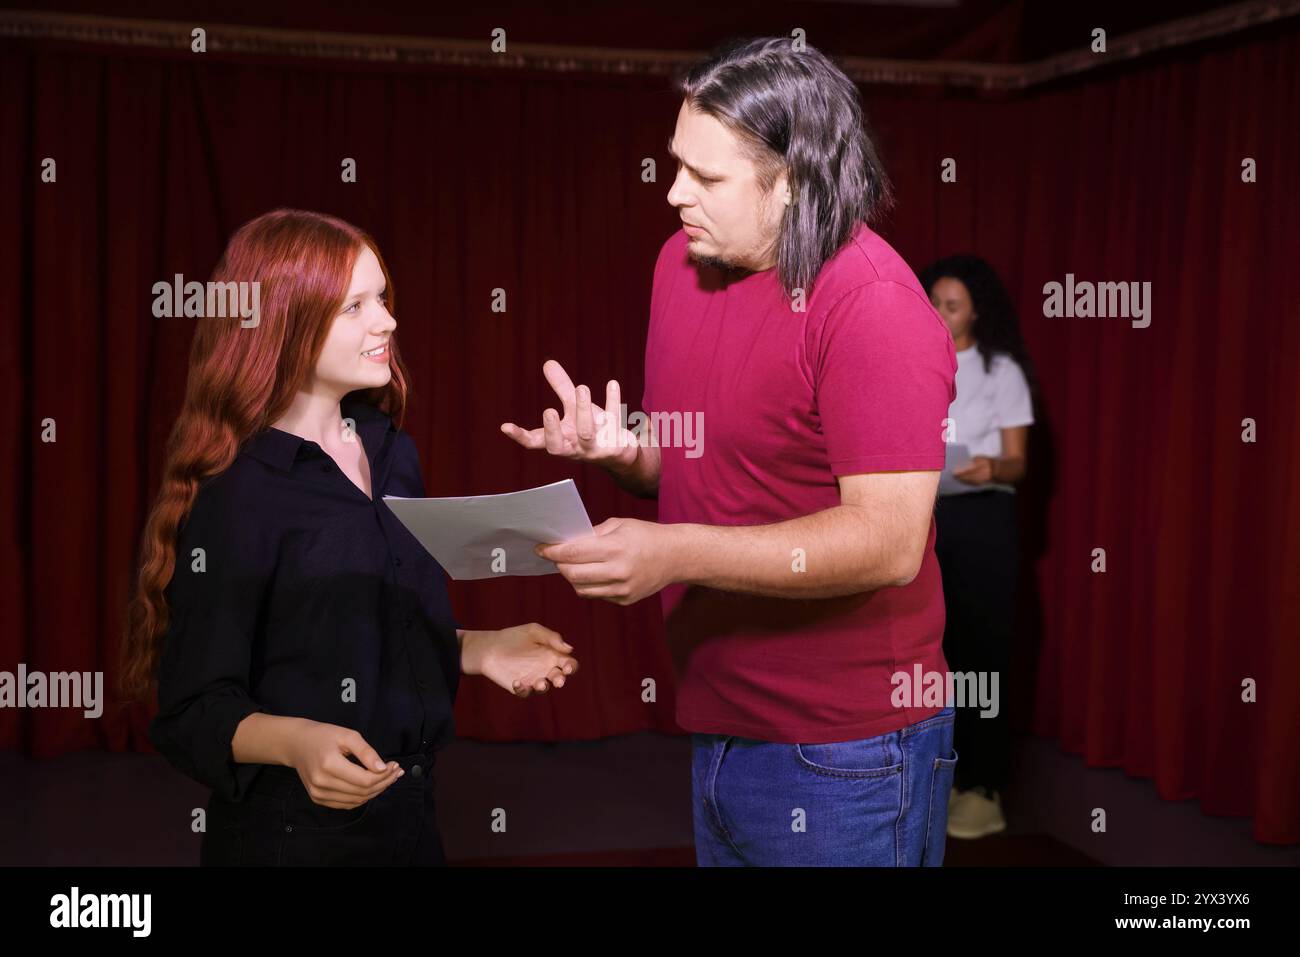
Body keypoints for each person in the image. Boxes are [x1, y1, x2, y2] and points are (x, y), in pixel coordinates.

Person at [501, 38, 959, 866]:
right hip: (717, 716)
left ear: (795, 180)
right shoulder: (680, 264)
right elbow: (712, 466)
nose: (674, 194)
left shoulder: (873, 305)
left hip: (845, 751)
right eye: (677, 165)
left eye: (707, 178)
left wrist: (673, 552)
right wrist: (623, 451)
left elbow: (889, 542)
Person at [119, 208, 578, 866]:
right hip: (291, 843)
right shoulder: (239, 494)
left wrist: (476, 649)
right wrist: (296, 740)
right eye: (354, 306)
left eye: (382, 299)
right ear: (284, 324)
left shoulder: (395, 453)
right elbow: (192, 707)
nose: (386, 321)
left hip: (414, 826)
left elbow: (347, 631)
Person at [919, 253, 1036, 840]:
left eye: (952, 305)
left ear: (976, 310)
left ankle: (983, 785)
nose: (941, 315)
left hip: (985, 519)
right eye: (933, 303)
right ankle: (934, 777)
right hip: (923, 520)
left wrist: (992, 463)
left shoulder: (1001, 370)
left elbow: (1018, 463)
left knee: (981, 653)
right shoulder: (913, 363)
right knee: (931, 652)